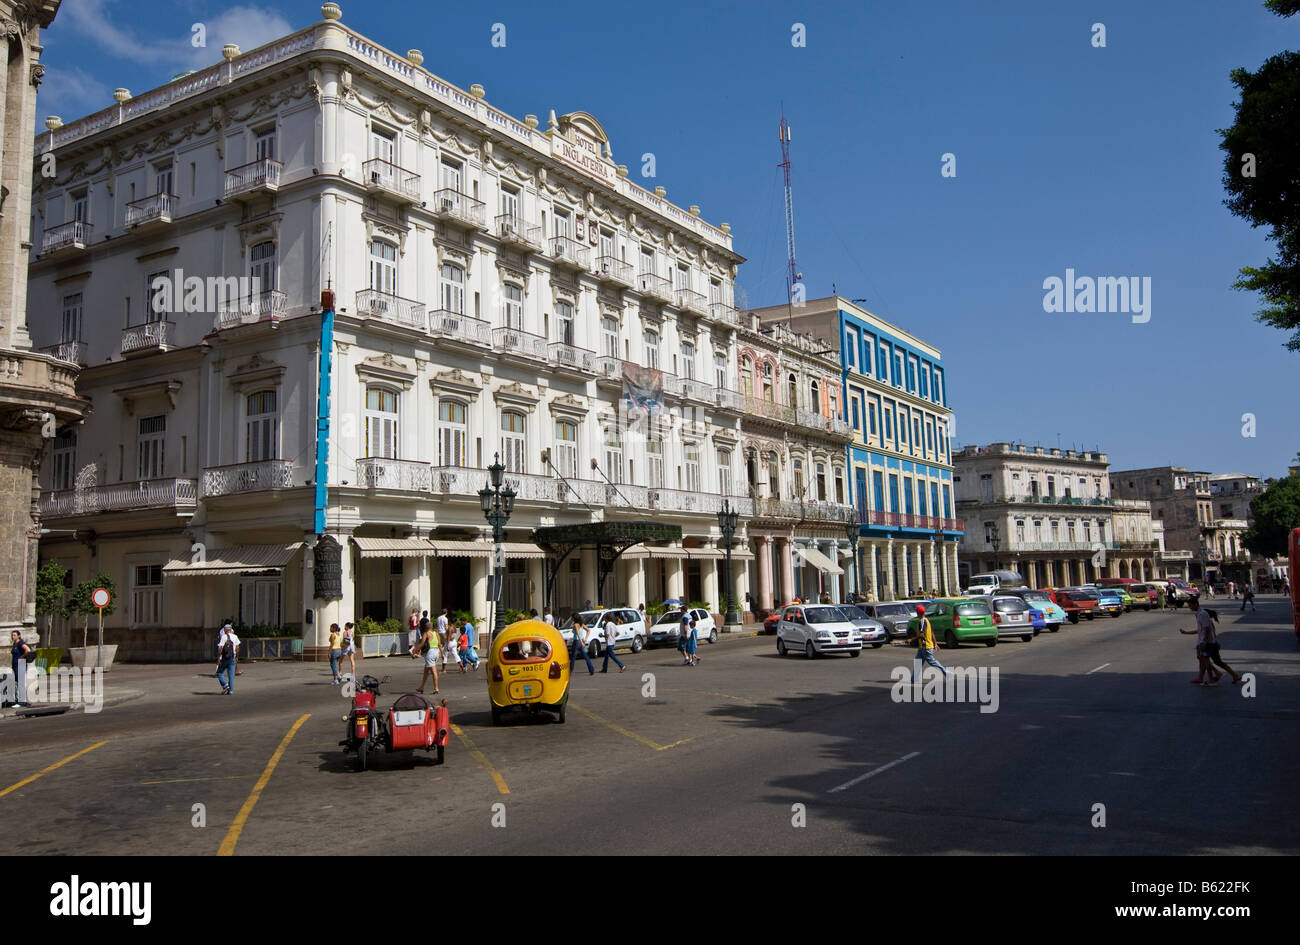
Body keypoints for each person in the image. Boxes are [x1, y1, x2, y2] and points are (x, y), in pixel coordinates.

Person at [905, 605, 949, 679]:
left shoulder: (922, 621)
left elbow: (922, 635)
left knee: (933, 662)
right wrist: (935, 643)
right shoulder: (926, 620)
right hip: (923, 647)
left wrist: (911, 639)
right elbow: (932, 633)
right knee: (918, 663)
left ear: (918, 613)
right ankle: (913, 679)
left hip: (925, 647)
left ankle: (946, 673)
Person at [411, 618, 440, 694]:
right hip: (436, 652)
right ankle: (421, 687)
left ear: (426, 627)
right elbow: (440, 644)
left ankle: (436, 688)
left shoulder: (426, 633)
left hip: (430, 653)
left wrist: (415, 650)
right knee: (426, 670)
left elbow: (422, 643)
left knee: (433, 671)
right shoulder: (436, 633)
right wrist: (442, 654)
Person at [9, 630, 34, 707]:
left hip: (21, 665)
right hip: (16, 666)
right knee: (17, 683)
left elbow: (28, 650)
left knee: (20, 683)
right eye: (12, 635)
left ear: (19, 636)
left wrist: (21, 657)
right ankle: (19, 700)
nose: (13, 637)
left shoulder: (20, 643)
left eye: (14, 635)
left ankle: (21, 702)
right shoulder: (15, 644)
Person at [216, 623, 239, 694]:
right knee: (231, 675)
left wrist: (219, 657)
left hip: (225, 657)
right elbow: (237, 648)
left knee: (219, 672)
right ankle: (230, 691)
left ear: (226, 630)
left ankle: (225, 685)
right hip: (232, 657)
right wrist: (237, 657)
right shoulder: (235, 636)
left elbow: (221, 647)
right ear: (231, 630)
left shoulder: (224, 636)